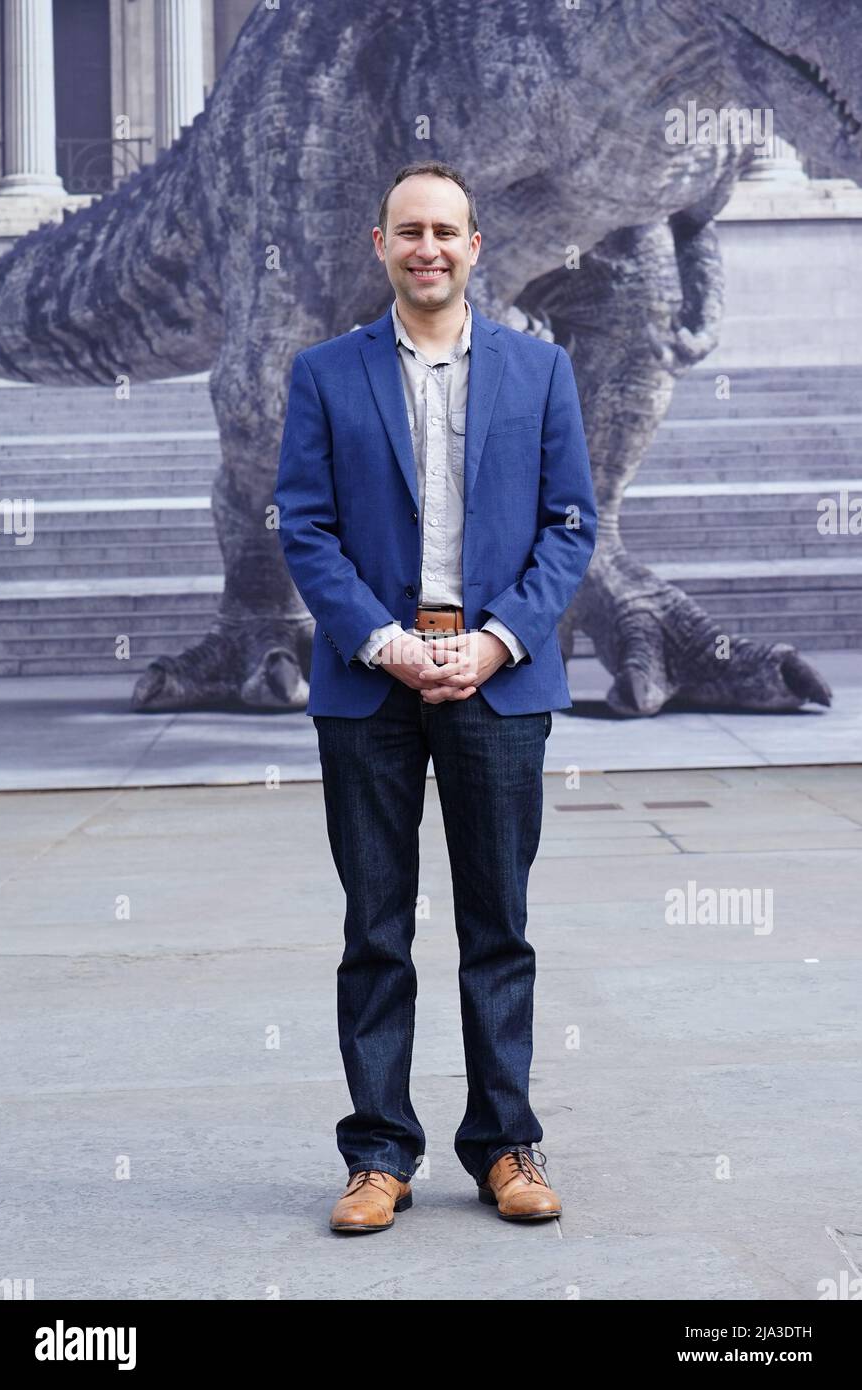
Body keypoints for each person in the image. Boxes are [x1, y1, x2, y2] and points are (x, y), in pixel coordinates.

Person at [275, 159, 597, 1233]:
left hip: (497, 682)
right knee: (375, 927)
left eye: (445, 232)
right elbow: (306, 529)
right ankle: (378, 1153)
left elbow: (568, 527)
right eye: (407, 230)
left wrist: (499, 641)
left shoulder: (539, 372)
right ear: (380, 245)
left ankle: (506, 1145)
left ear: (474, 247)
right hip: (370, 687)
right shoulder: (324, 373)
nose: (427, 247)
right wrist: (383, 642)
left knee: (495, 924)